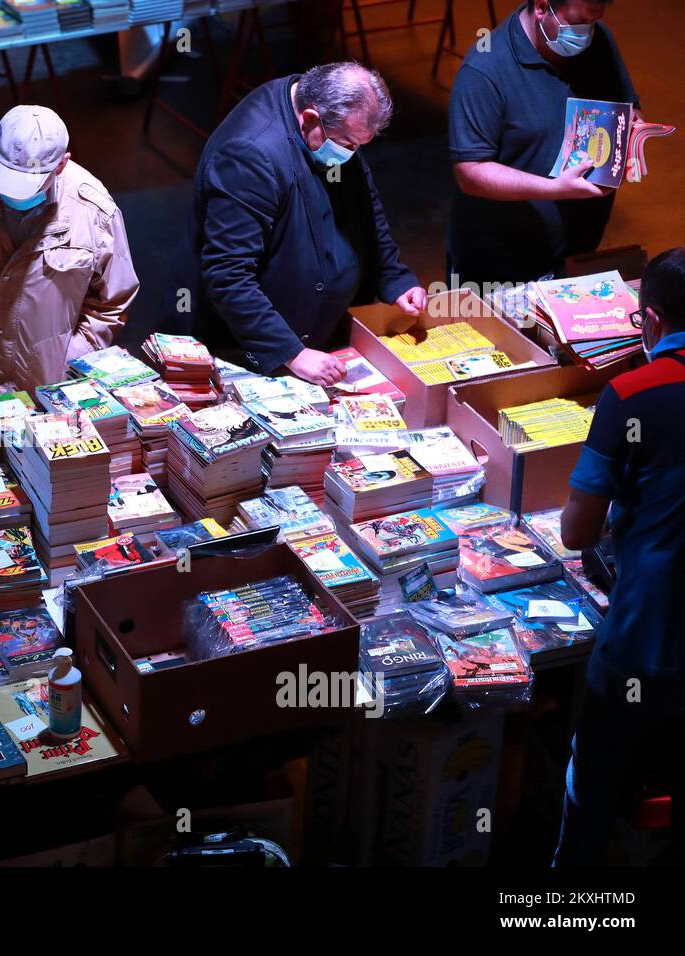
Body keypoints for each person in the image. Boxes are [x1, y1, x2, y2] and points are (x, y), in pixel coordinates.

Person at [173, 61, 424, 387]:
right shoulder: (248, 155)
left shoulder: (325, 115)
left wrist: (394, 277)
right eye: (348, 144)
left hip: (318, 335)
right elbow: (227, 273)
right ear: (309, 119)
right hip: (246, 347)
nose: (352, 154)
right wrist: (292, 352)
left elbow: (365, 204)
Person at [553, 246, 685, 866]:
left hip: (647, 639)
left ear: (653, 321)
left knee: (596, 780)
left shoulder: (632, 393)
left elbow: (578, 532)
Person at [0, 105, 140, 393]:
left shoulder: (94, 211)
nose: (9, 192)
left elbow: (112, 302)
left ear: (61, 165)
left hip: (42, 390)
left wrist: (69, 362)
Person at [448, 0, 638, 285]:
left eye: (594, 21)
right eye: (577, 23)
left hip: (576, 258)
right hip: (500, 271)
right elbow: (470, 172)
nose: (585, 33)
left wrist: (631, 139)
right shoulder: (485, 69)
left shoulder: (599, 41)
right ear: (541, 7)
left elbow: (628, 107)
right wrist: (553, 189)